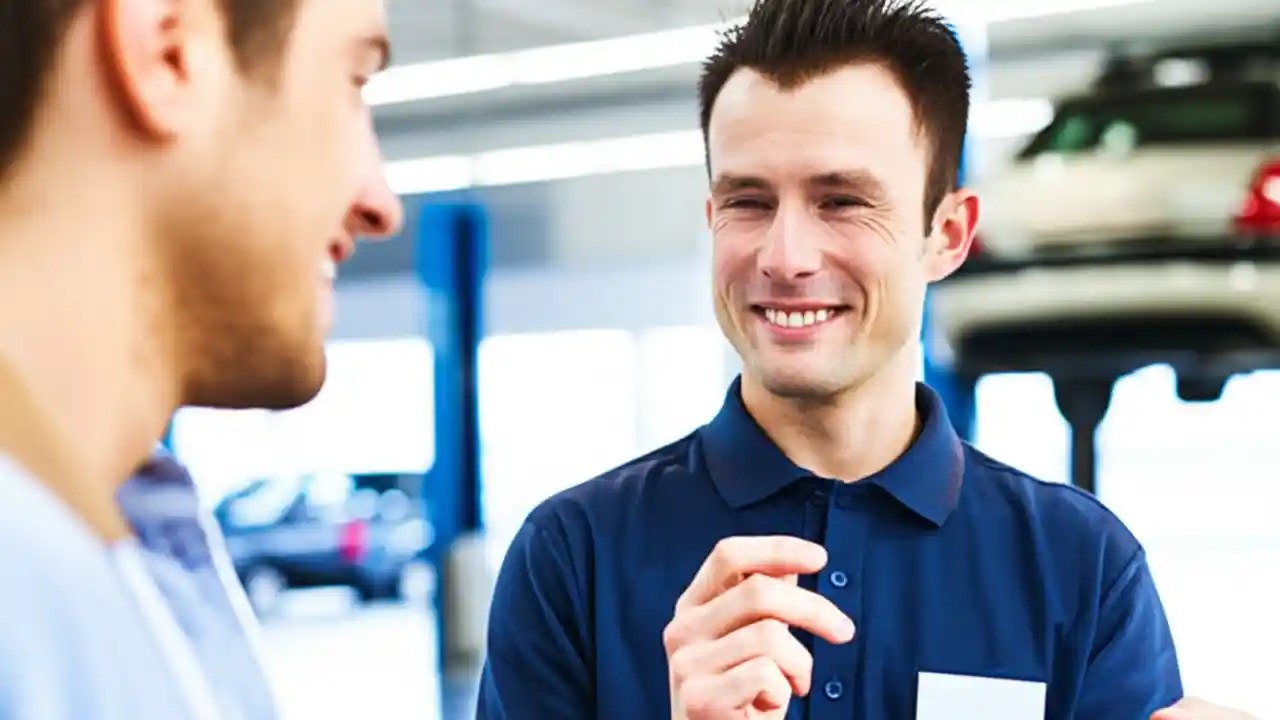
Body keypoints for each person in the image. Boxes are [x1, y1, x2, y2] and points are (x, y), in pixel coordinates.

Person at [477, 0, 1187, 718]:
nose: (785, 258)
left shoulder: (1080, 566)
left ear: (946, 234)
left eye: (842, 201)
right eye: (748, 202)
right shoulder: (573, 556)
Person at [0, 0, 403, 717]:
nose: (382, 203)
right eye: (353, 81)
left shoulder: (113, 553)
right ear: (169, 53)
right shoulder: (27, 592)